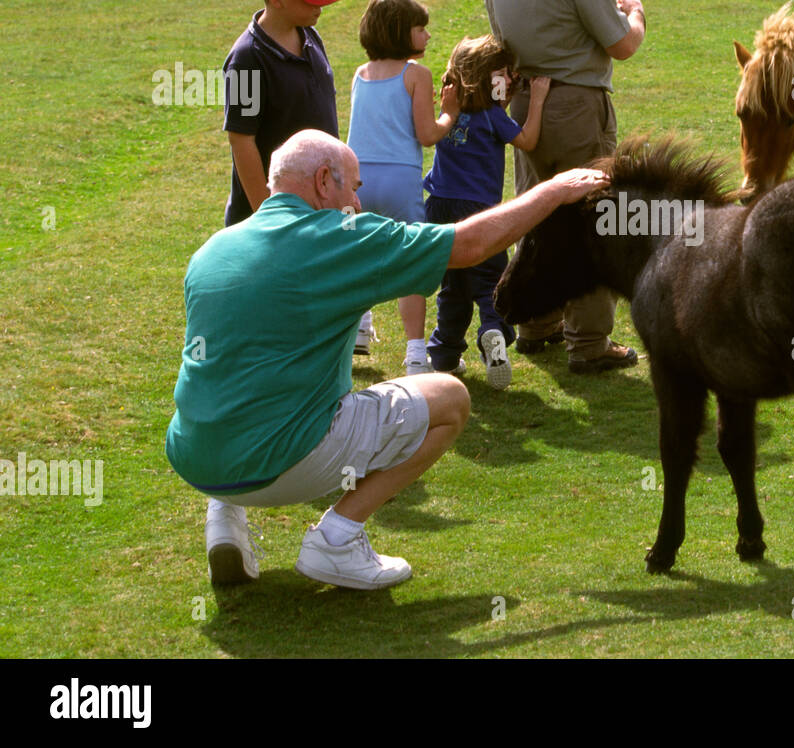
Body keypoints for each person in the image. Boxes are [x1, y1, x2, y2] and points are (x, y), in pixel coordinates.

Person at [167, 130, 609, 589]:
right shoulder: (341, 237)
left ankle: (224, 521)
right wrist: (554, 190)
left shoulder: (212, 249)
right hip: (282, 464)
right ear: (323, 181)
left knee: (236, 387)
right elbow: (470, 245)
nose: (357, 205)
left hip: (197, 461)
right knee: (450, 398)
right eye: (353, 189)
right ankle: (336, 540)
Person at [483, 0, 647, 374]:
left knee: (536, 211)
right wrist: (636, 14)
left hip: (523, 108)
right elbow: (621, 45)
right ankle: (590, 342)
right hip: (577, 107)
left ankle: (535, 322)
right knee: (595, 216)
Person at [423, 35, 549, 390]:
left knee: (453, 286)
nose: (509, 80)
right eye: (503, 75)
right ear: (484, 78)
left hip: (438, 207)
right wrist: (536, 100)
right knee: (490, 280)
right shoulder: (493, 116)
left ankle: (445, 355)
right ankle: (493, 331)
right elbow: (528, 141)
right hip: (478, 212)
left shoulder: (450, 113)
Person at [347, 0, 459, 376]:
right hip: (400, 179)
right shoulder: (417, 75)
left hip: (357, 180)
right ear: (400, 33)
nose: (427, 36)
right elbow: (427, 134)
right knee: (412, 260)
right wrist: (450, 113)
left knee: (359, 257)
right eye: (420, 29)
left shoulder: (360, 76)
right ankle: (414, 353)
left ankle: (358, 331)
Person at [221, 0, 347, 228]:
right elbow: (241, 140)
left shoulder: (311, 37)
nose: (321, 7)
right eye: (311, 0)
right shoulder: (247, 59)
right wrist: (267, 217)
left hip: (318, 205)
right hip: (275, 217)